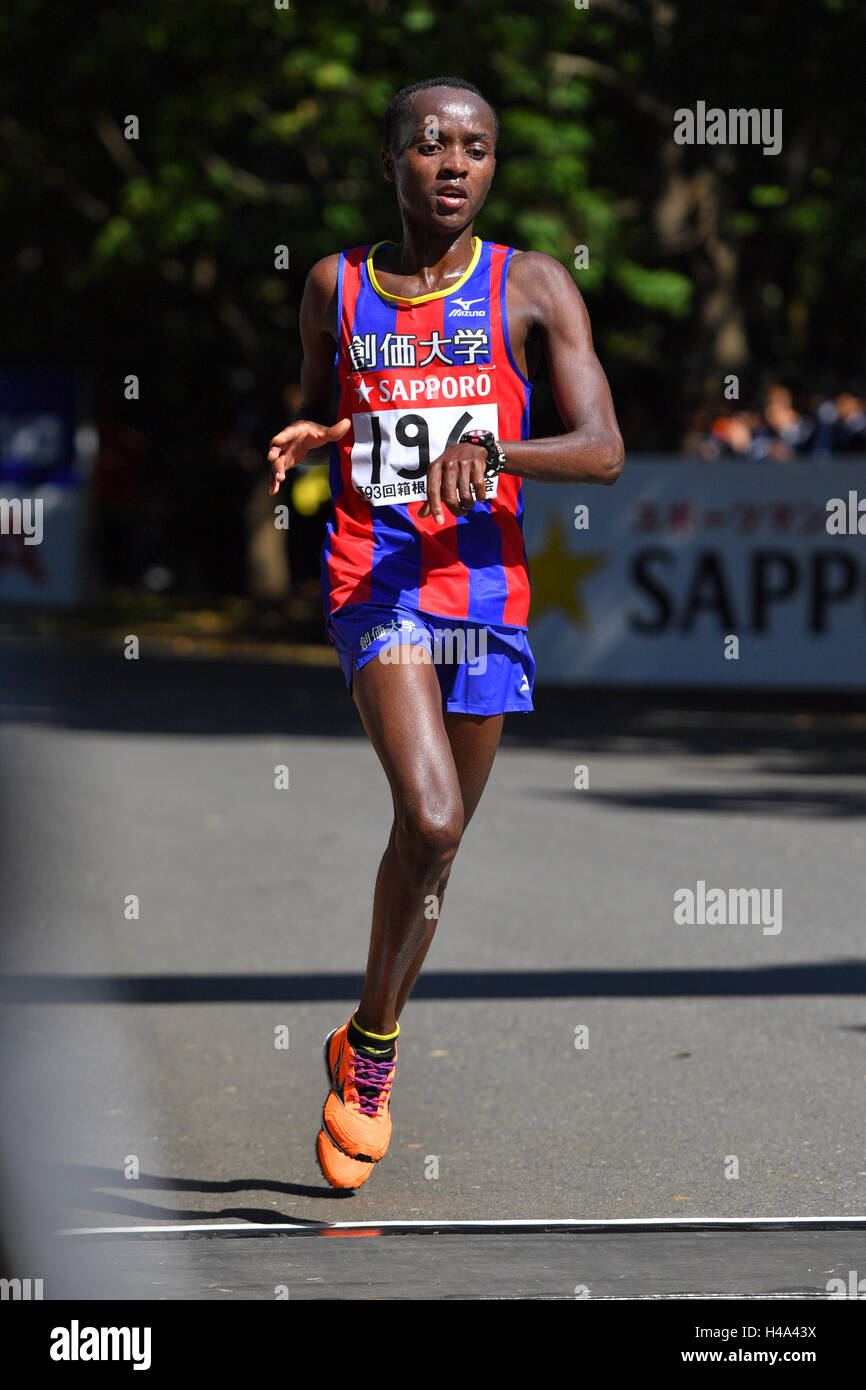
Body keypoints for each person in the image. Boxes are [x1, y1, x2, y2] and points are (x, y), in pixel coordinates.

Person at [268, 76, 624, 1190]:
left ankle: (365, 1025)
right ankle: (372, 1061)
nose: (454, 163)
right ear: (391, 165)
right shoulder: (333, 284)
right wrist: (322, 433)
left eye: (474, 147)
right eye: (430, 146)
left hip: (485, 592)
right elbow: (338, 402)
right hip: (376, 578)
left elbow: (602, 447)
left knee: (438, 842)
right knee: (423, 809)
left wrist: (498, 456)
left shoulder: (532, 285)